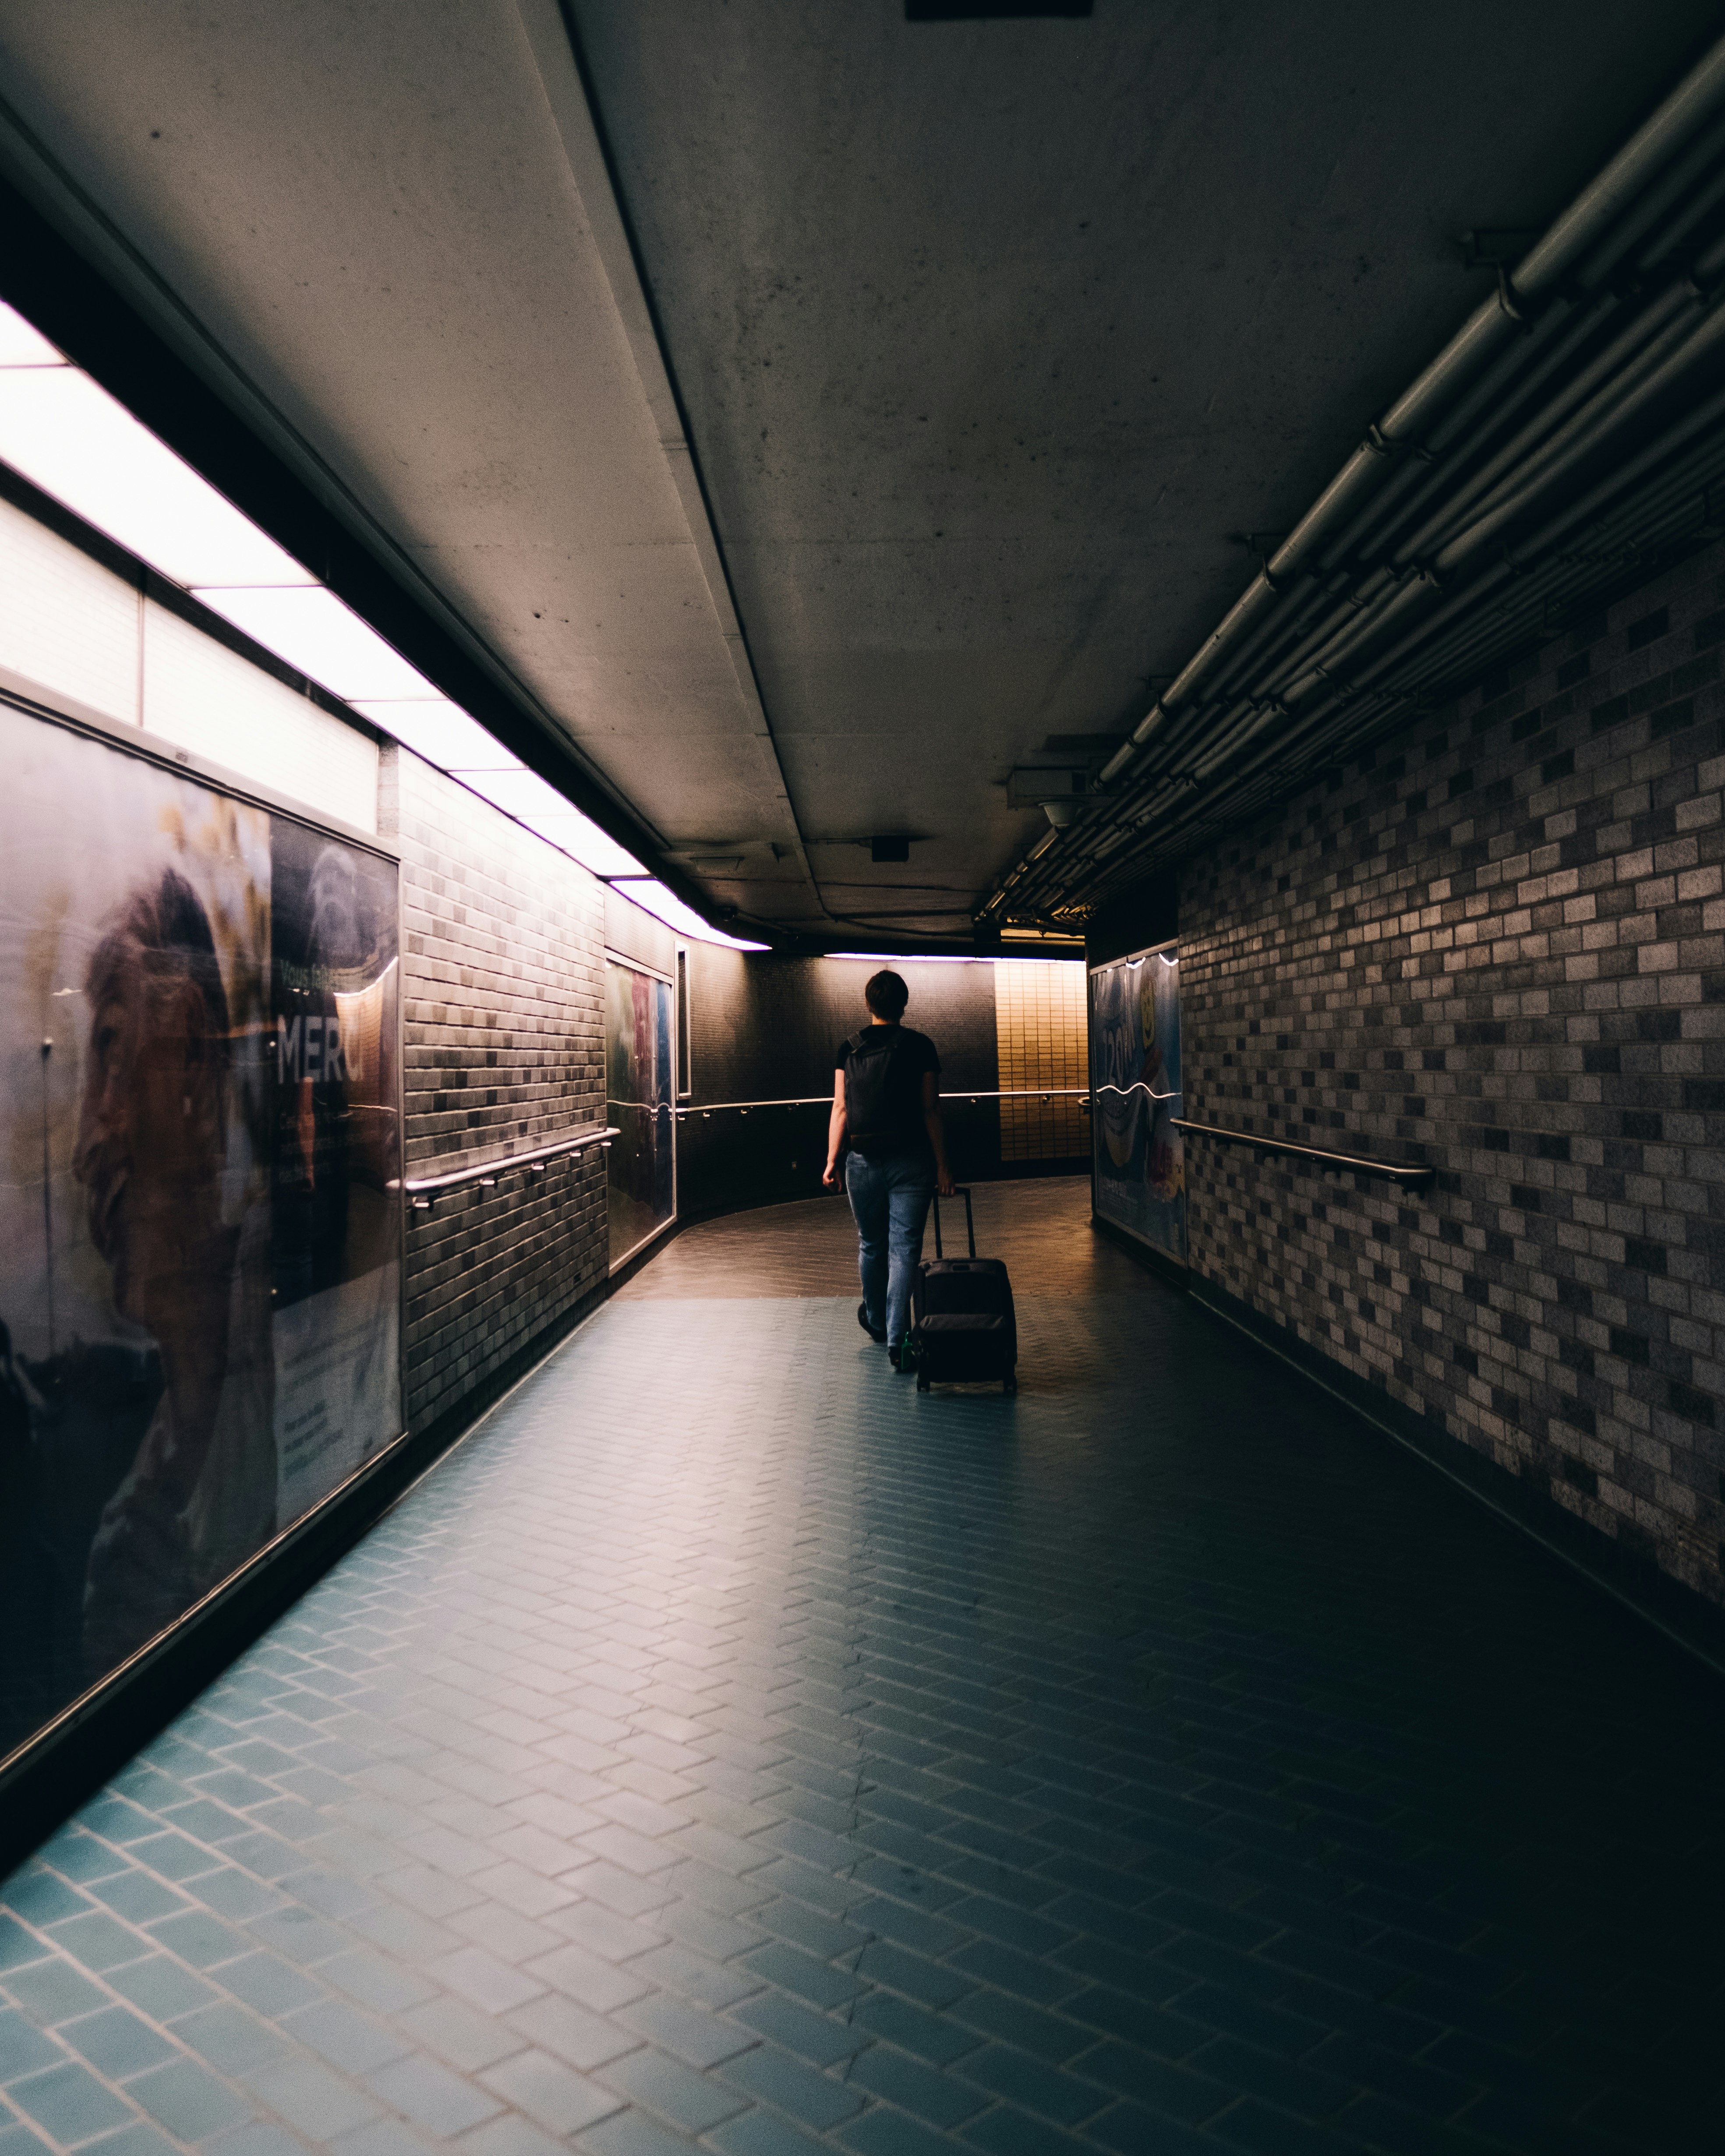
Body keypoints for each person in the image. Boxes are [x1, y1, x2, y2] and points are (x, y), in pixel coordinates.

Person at [73, 867, 274, 1676]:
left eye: (113, 1048)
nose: (87, 1145)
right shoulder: (126, 1541)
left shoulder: (282, 1325)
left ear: (192, 1059)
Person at [823, 969, 954, 1370]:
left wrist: (832, 1160)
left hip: (861, 1161)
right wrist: (943, 1166)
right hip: (912, 1162)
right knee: (904, 1251)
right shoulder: (921, 1046)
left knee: (871, 1244)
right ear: (905, 1004)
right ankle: (898, 1342)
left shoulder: (849, 1047)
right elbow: (930, 1108)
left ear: (869, 1004)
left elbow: (841, 1108)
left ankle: (877, 1323)